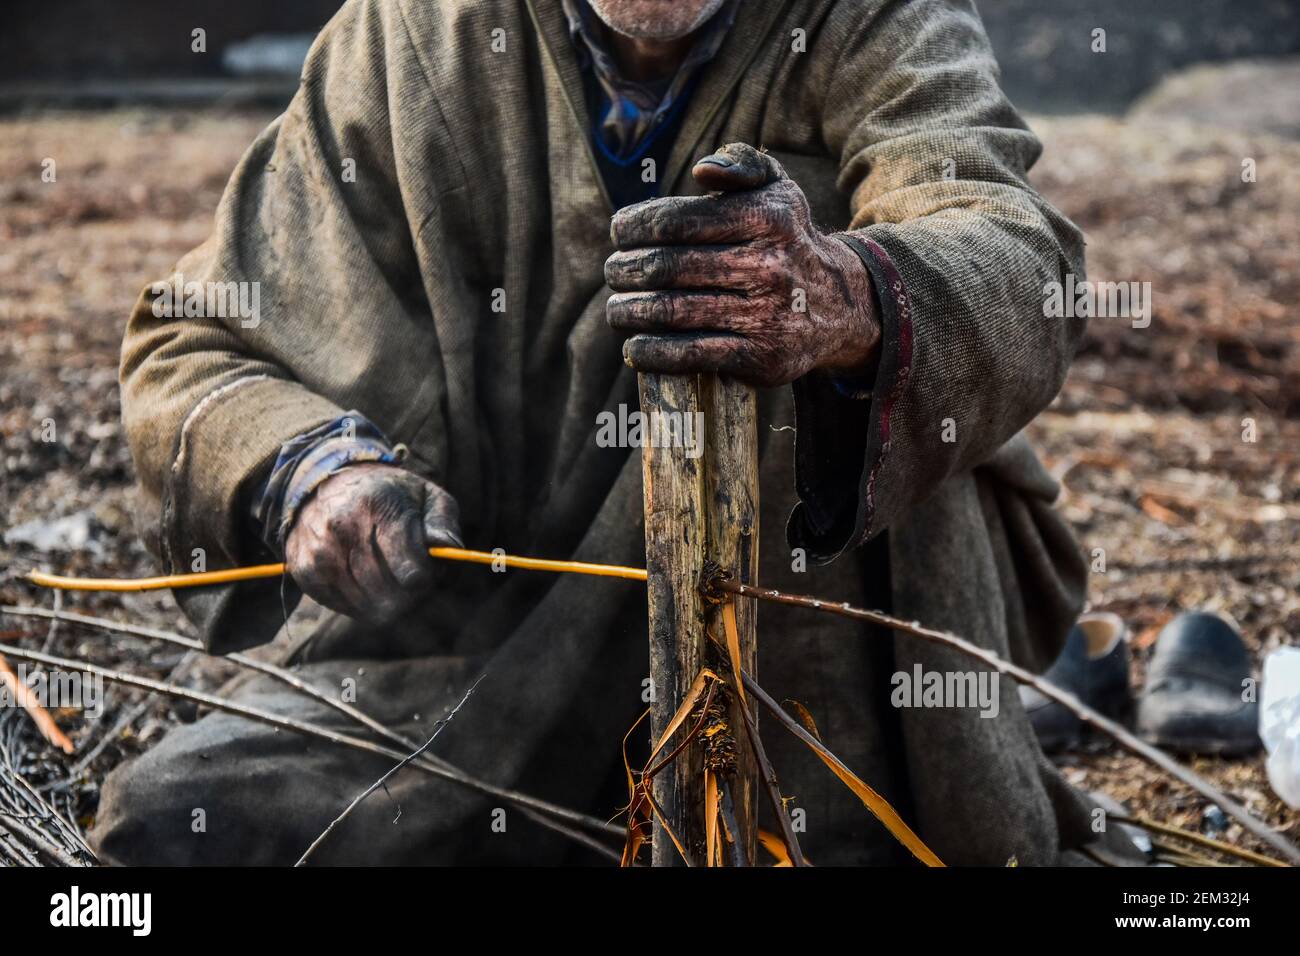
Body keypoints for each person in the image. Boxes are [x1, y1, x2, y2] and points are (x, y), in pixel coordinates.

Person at [93, 0, 1138, 866]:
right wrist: (316, 473)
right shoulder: (413, 36)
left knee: (812, 213)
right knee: (168, 825)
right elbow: (198, 343)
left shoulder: (868, 18)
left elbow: (1016, 256)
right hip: (490, 665)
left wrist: (843, 296)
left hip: (819, 688)